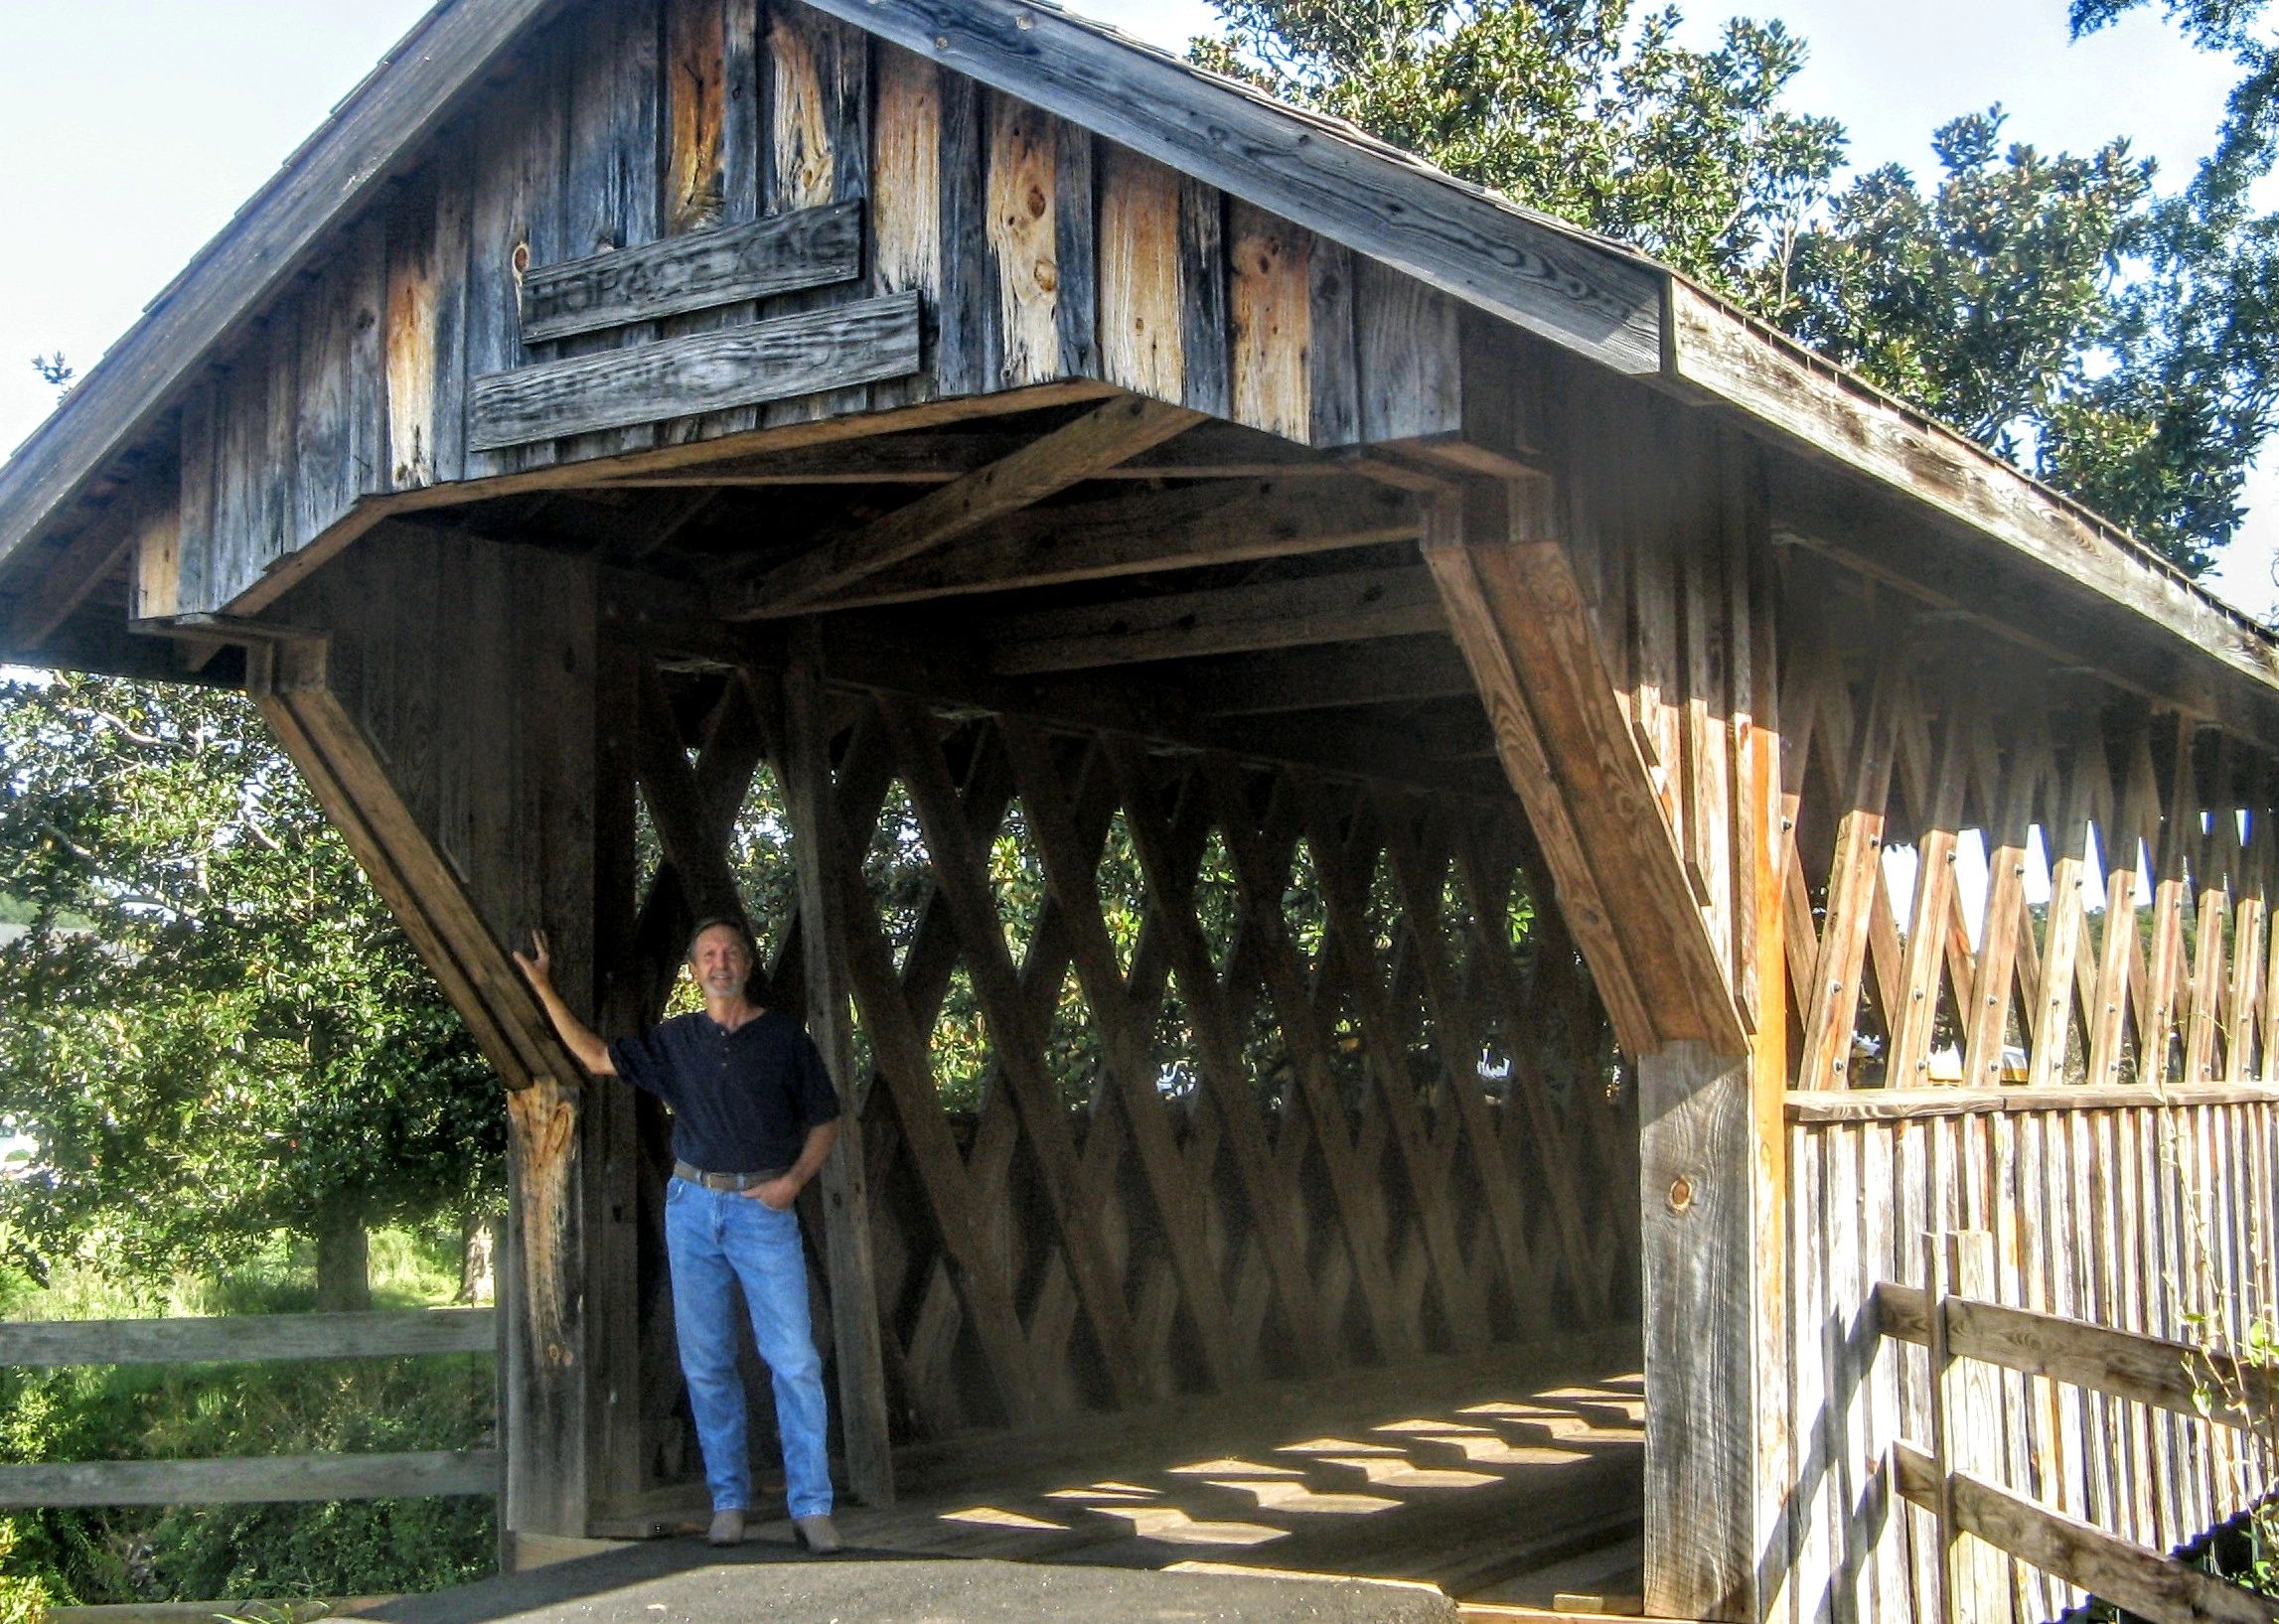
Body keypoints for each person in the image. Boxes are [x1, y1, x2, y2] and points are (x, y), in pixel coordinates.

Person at [513, 917, 843, 1554]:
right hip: (693, 1206)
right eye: (707, 955)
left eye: (730, 952)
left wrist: (794, 1181)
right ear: (694, 970)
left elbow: (824, 1119)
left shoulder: (783, 1039)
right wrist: (540, 985)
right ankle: (728, 1502)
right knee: (707, 1361)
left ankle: (812, 1505)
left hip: (764, 1207)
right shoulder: (677, 1041)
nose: (720, 962)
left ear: (747, 964)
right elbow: (593, 1057)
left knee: (795, 1361)